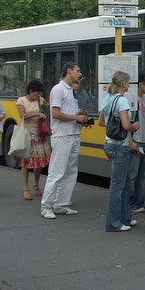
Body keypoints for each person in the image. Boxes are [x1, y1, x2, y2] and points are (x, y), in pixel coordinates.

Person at [40, 62, 89, 219]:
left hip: (73, 134)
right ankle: (46, 205)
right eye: (78, 71)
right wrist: (76, 117)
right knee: (57, 171)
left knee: (70, 171)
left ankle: (61, 203)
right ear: (68, 71)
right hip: (62, 136)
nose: (79, 74)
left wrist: (79, 114)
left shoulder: (71, 91)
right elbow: (56, 113)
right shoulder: (58, 89)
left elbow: (65, 112)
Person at [99, 71, 140, 232]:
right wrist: (134, 126)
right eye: (128, 82)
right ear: (123, 84)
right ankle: (114, 223)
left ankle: (125, 218)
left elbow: (102, 121)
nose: (129, 85)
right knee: (118, 186)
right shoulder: (122, 101)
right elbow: (126, 126)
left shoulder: (108, 98)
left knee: (122, 184)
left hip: (110, 143)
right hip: (120, 146)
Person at [16, 80, 52, 201]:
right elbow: (22, 116)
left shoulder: (40, 100)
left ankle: (36, 185)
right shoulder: (21, 100)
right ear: (30, 91)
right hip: (27, 135)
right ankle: (25, 188)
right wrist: (38, 113)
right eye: (36, 93)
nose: (38, 95)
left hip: (39, 135)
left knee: (39, 162)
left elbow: (51, 106)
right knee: (26, 163)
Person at [128, 72, 145, 213]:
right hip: (136, 140)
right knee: (133, 175)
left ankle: (140, 202)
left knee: (142, 175)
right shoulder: (132, 100)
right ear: (141, 84)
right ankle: (131, 203)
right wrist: (131, 141)